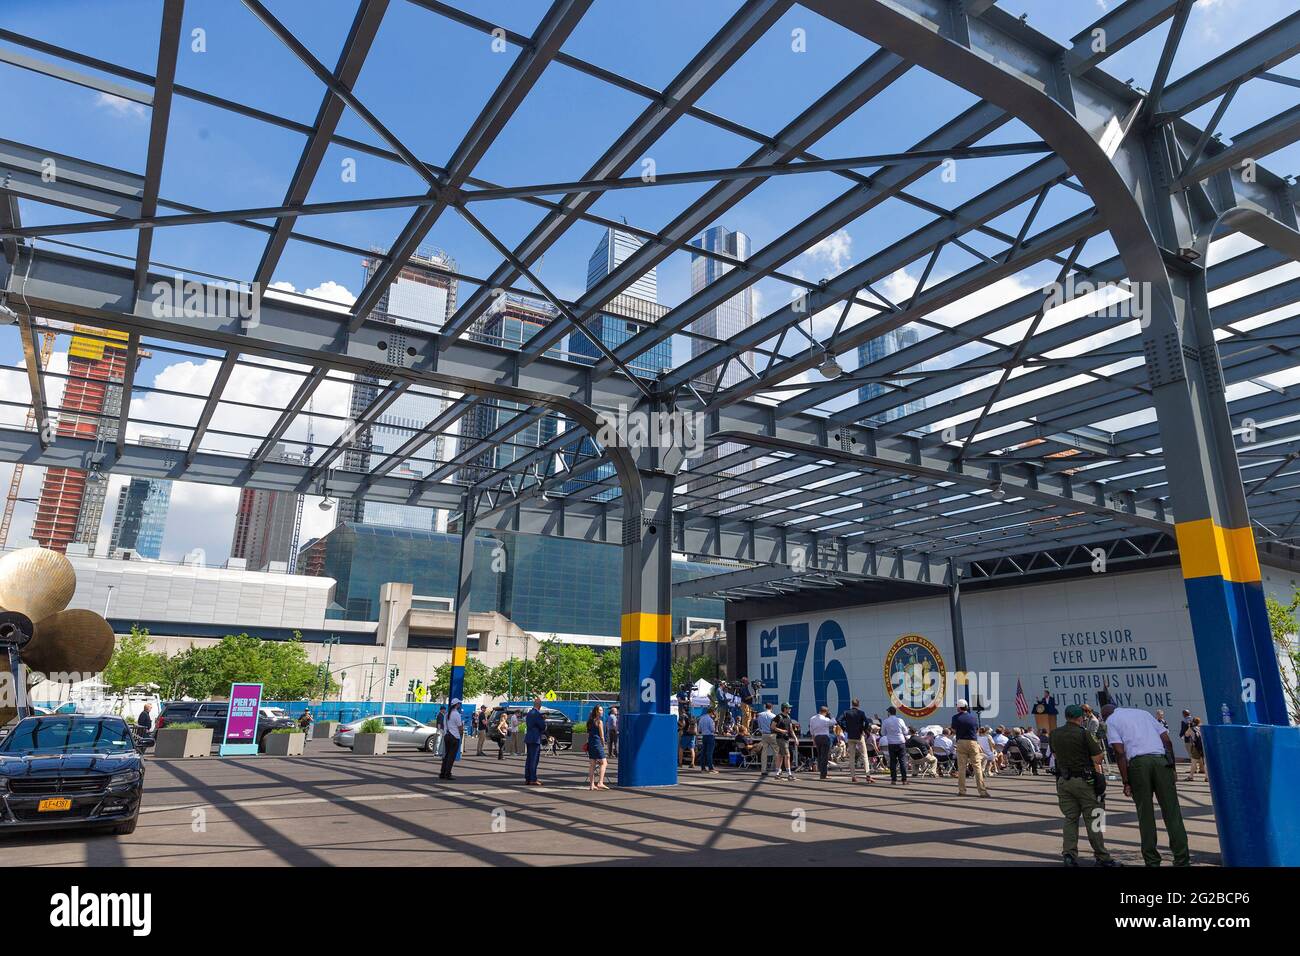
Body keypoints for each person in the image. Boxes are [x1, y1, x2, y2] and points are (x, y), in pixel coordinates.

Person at [1103, 703, 1190, 867]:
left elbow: (1120, 753)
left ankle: (1152, 861)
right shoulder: (1144, 713)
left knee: (1146, 814)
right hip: (1160, 761)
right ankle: (1182, 859)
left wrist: (1126, 781)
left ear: (1105, 715)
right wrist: (1172, 767)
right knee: (1172, 811)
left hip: (1138, 765)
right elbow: (1167, 741)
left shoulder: (1111, 720)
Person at [1049, 704, 1119, 867]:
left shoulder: (1054, 734)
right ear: (1081, 717)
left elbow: (1055, 755)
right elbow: (1098, 759)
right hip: (1085, 782)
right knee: (1095, 818)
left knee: (1070, 819)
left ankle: (1069, 855)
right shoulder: (1084, 733)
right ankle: (1102, 856)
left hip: (1064, 782)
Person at [952, 699, 988, 797]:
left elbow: (954, 729)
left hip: (961, 742)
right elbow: (976, 729)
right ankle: (982, 791)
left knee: (962, 768)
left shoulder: (955, 717)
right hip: (972, 742)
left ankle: (962, 790)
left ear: (959, 707)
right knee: (977, 767)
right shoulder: (973, 717)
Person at [838, 698, 874, 784]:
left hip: (850, 736)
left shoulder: (846, 712)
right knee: (864, 755)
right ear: (858, 704)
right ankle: (867, 775)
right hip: (859, 735)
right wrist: (863, 729)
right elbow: (867, 722)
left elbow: (839, 720)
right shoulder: (861, 713)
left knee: (852, 757)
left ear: (852, 704)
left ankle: (853, 776)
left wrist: (845, 728)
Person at [880, 706, 910, 785]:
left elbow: (883, 733)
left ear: (889, 713)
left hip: (891, 743)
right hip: (901, 742)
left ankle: (894, 779)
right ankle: (904, 779)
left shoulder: (885, 721)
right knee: (902, 761)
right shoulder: (900, 720)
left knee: (893, 762)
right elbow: (906, 732)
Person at [524, 698, 546, 786]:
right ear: (539, 705)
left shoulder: (529, 713)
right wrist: (543, 721)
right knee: (534, 759)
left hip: (529, 738)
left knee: (529, 759)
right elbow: (542, 726)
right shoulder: (537, 714)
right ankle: (533, 779)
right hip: (535, 738)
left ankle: (528, 778)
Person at [439, 699, 463, 780]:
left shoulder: (446, 714)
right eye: (459, 703)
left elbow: (444, 725)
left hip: (447, 735)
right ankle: (447, 774)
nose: (459, 705)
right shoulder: (456, 714)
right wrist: (461, 735)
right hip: (454, 737)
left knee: (446, 755)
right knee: (451, 756)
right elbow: (460, 727)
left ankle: (442, 772)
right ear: (456, 705)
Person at [809, 705, 835, 780]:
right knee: (824, 756)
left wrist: (813, 739)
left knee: (820, 755)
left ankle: (820, 770)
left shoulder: (812, 718)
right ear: (826, 712)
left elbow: (811, 731)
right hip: (824, 737)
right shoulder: (826, 719)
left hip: (817, 737)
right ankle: (823, 774)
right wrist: (830, 716)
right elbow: (834, 722)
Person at [586, 704, 609, 790]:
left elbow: (588, 733)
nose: (602, 712)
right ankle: (600, 782)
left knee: (592, 764)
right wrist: (603, 744)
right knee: (604, 762)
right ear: (596, 712)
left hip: (591, 743)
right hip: (597, 743)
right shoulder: (599, 722)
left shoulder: (590, 721)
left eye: (602, 710)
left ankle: (592, 785)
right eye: (600, 710)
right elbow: (602, 735)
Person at [770, 703, 795, 781]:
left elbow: (791, 730)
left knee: (780, 756)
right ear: (785, 709)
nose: (790, 709)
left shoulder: (788, 717)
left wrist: (795, 738)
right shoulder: (778, 717)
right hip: (780, 738)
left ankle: (777, 773)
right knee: (787, 756)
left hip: (786, 739)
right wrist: (782, 731)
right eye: (789, 708)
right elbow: (772, 727)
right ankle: (789, 774)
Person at [754, 701, 776, 775]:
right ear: (771, 708)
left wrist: (762, 730)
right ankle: (774, 767)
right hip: (772, 734)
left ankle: (763, 770)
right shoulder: (773, 716)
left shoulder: (760, 715)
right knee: (776, 751)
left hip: (764, 735)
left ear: (765, 707)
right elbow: (774, 727)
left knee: (764, 753)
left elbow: (759, 726)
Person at [1183, 716, 1207, 781]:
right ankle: (1207, 777)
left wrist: (1189, 727)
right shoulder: (1202, 728)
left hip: (1196, 747)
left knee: (1194, 762)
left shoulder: (1191, 729)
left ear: (1193, 722)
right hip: (1204, 747)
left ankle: (1191, 776)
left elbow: (1186, 735)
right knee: (1205, 762)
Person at [698, 707, 718, 773]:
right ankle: (711, 768)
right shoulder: (710, 720)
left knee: (703, 753)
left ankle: (703, 768)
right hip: (710, 736)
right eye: (715, 712)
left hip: (704, 736)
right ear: (712, 712)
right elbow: (713, 730)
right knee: (709, 753)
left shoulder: (702, 718)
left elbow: (699, 729)